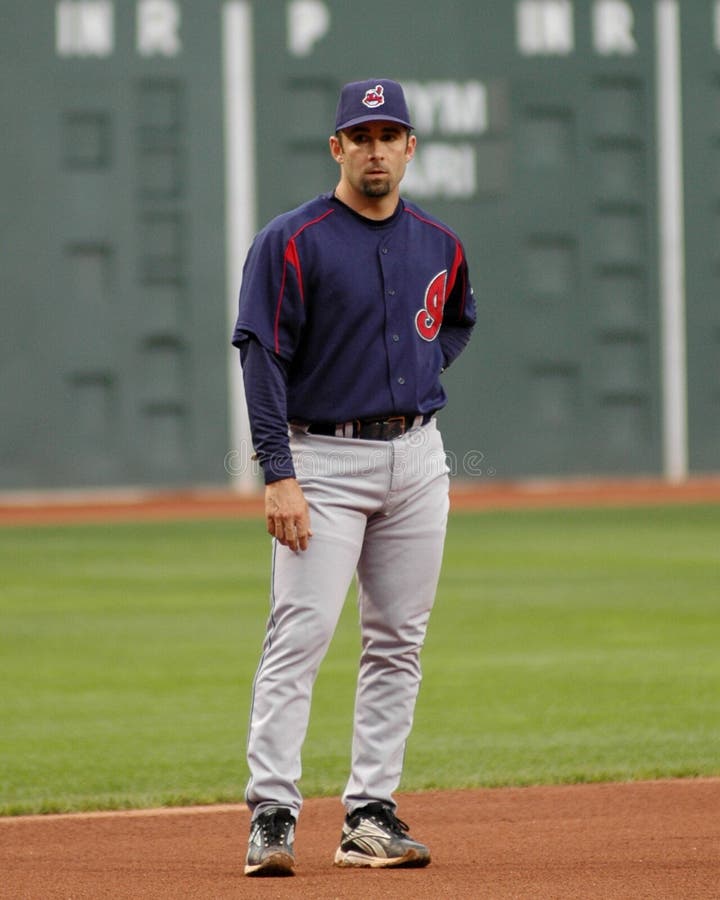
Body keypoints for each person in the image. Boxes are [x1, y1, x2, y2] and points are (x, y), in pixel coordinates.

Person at [232, 77, 476, 877]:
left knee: (399, 641)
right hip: (323, 460)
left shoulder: (440, 242)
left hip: (417, 455)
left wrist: (408, 372)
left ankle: (370, 813)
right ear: (337, 147)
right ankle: (272, 813)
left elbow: (455, 320)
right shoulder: (292, 239)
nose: (376, 149)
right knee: (300, 634)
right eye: (361, 136)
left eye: (390, 135)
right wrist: (279, 471)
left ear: (410, 146)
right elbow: (261, 355)